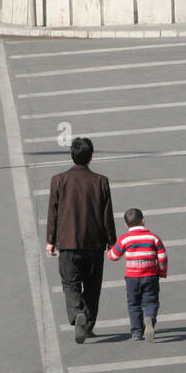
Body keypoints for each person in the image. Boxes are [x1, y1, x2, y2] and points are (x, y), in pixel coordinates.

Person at [46, 137, 116, 344]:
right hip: (94, 244)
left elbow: (53, 212)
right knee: (93, 286)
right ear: (91, 157)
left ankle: (77, 313)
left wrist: (50, 240)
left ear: (71, 156)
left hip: (67, 243)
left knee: (70, 283)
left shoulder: (58, 180)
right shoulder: (100, 181)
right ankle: (88, 324)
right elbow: (107, 215)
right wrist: (113, 242)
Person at [107, 208, 168, 341]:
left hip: (132, 278)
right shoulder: (153, 238)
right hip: (151, 275)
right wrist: (162, 271)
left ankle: (137, 332)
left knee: (133, 303)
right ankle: (149, 319)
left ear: (126, 225)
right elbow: (162, 256)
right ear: (143, 221)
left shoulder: (125, 239)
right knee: (150, 301)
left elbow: (114, 256)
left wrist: (108, 252)